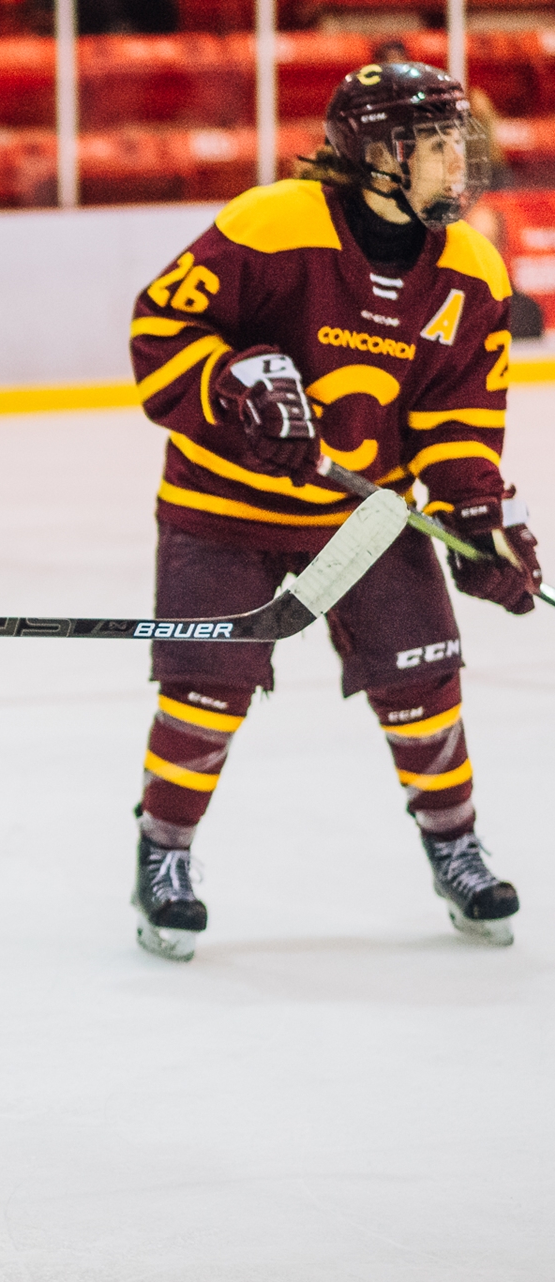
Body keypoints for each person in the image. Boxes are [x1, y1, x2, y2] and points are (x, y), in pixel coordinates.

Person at [126, 61, 540, 961]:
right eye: (430, 146)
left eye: (453, 143)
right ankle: (163, 854)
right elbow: (161, 331)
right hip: (220, 508)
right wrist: (230, 384)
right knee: (208, 688)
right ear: (373, 154)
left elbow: (459, 418)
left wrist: (477, 523)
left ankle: (456, 846)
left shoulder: (471, 269)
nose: (452, 162)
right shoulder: (272, 223)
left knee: (423, 679)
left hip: (364, 521)